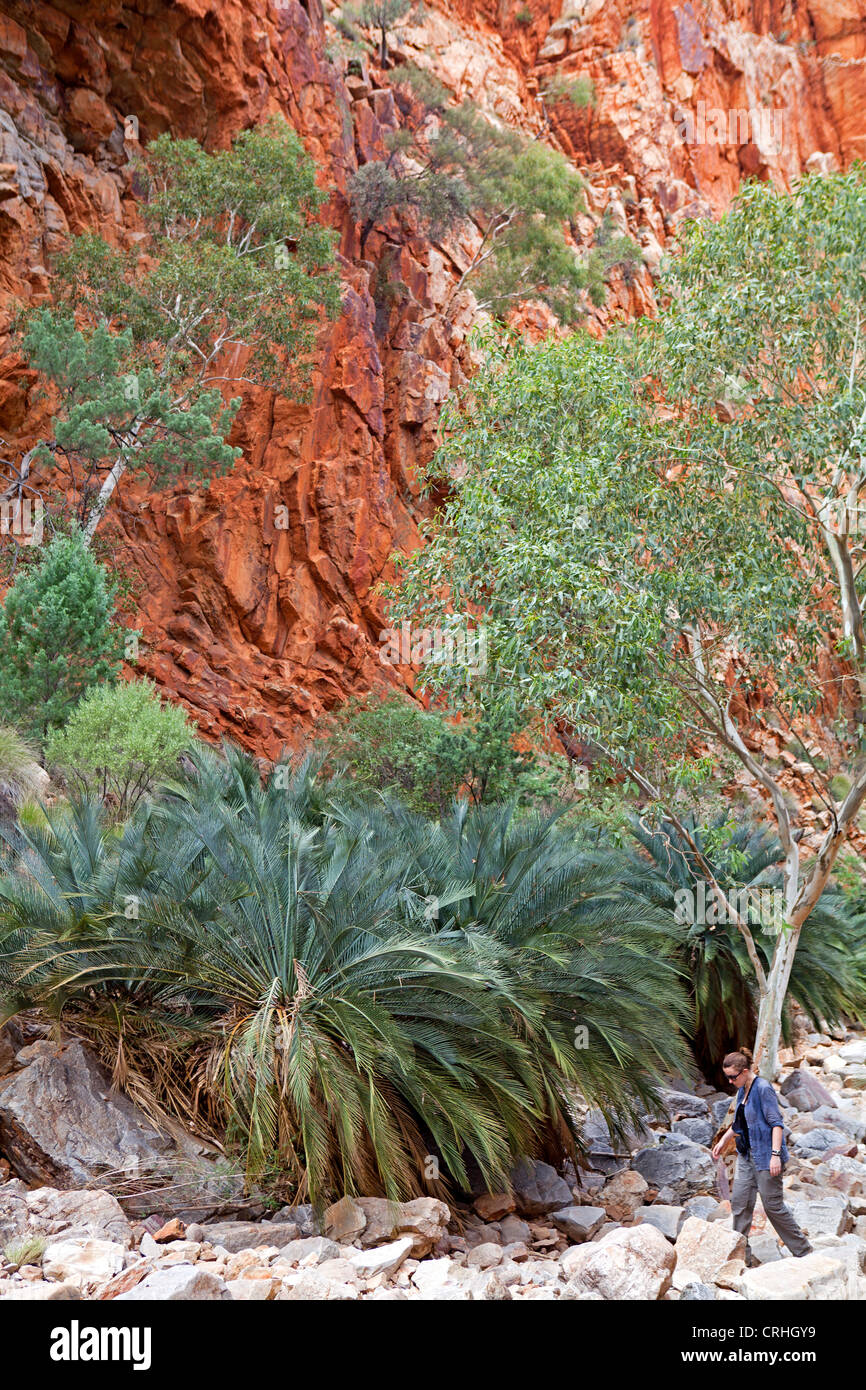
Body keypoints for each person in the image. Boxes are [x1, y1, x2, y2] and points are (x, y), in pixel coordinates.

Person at [711, 1047, 812, 1266]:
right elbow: (739, 1123)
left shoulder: (763, 1089)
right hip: (746, 1156)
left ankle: (804, 1252)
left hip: (767, 1157)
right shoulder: (741, 1089)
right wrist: (723, 1141)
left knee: (772, 1206)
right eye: (726, 1076)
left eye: (732, 1077)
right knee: (739, 1204)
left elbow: (777, 1125)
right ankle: (740, 1258)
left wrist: (775, 1156)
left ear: (745, 1071)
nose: (729, 1081)